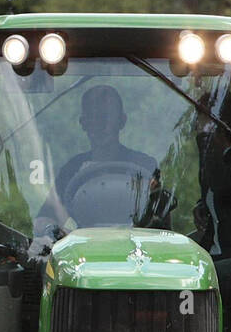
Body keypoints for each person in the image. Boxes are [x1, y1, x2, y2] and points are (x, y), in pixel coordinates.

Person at [38, 85, 165, 229]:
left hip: (138, 247)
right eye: (94, 118)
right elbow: (45, 219)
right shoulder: (72, 170)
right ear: (83, 123)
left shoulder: (145, 166)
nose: (100, 125)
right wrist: (60, 232)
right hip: (83, 249)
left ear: (121, 121)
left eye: (107, 116)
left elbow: (161, 222)